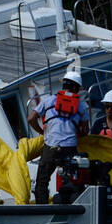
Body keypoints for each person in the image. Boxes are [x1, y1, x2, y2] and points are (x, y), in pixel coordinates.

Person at [28, 69, 88, 204]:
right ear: (76, 88)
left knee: (42, 182)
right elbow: (85, 131)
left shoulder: (48, 100)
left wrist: (42, 132)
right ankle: (72, 207)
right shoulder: (82, 106)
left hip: (52, 147)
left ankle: (42, 212)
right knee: (73, 180)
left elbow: (31, 118)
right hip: (70, 149)